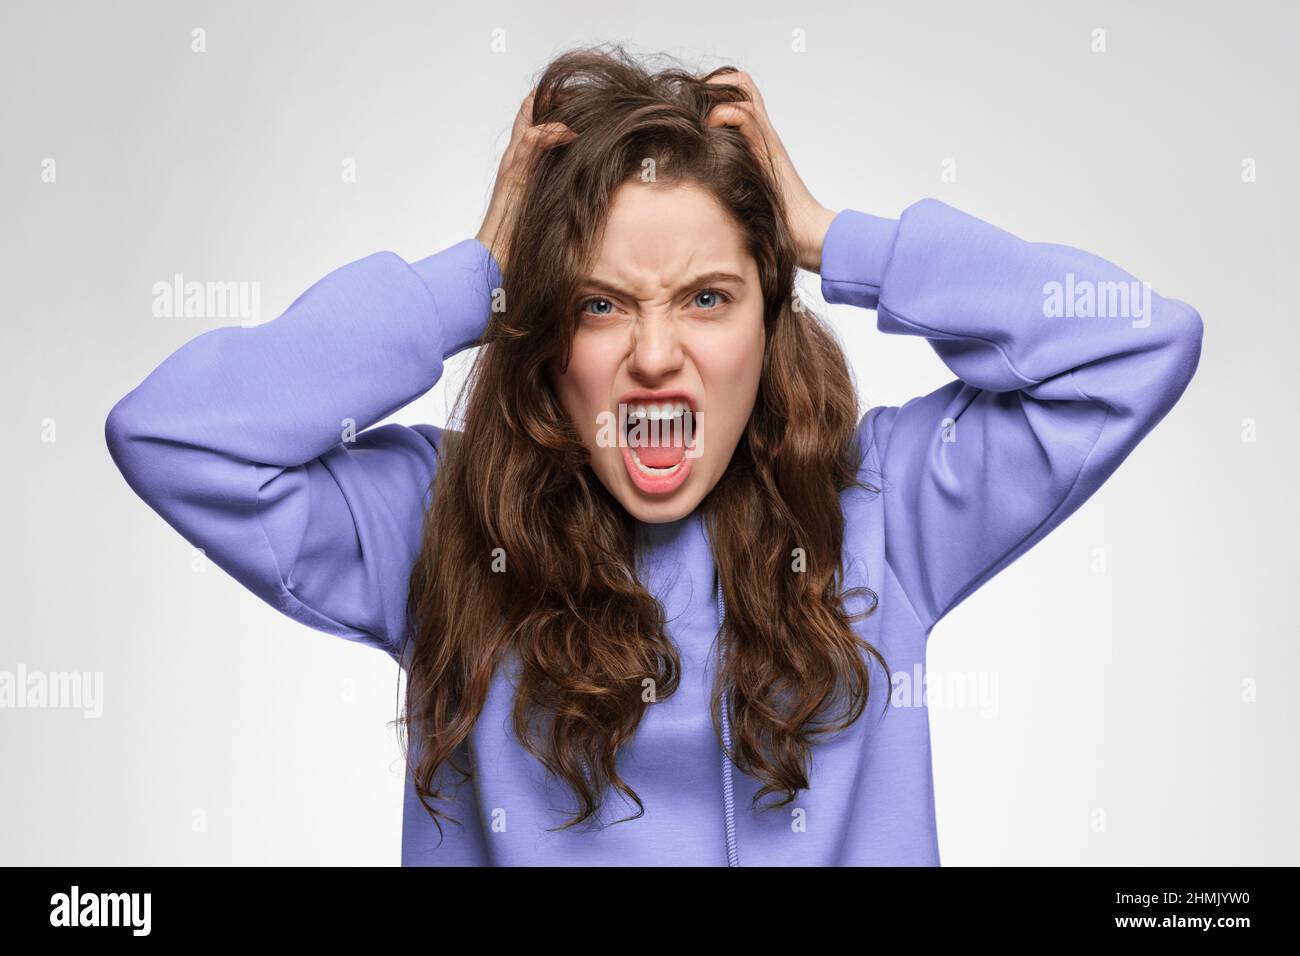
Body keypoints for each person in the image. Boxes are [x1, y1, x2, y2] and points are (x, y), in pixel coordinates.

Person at [105, 46, 1203, 865]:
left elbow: (1132, 341)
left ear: (769, 319)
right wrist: (473, 275)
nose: (656, 355)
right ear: (544, 329)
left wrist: (826, 235)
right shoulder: (438, 523)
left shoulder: (882, 511)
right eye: (599, 303)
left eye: (707, 297)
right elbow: (176, 433)